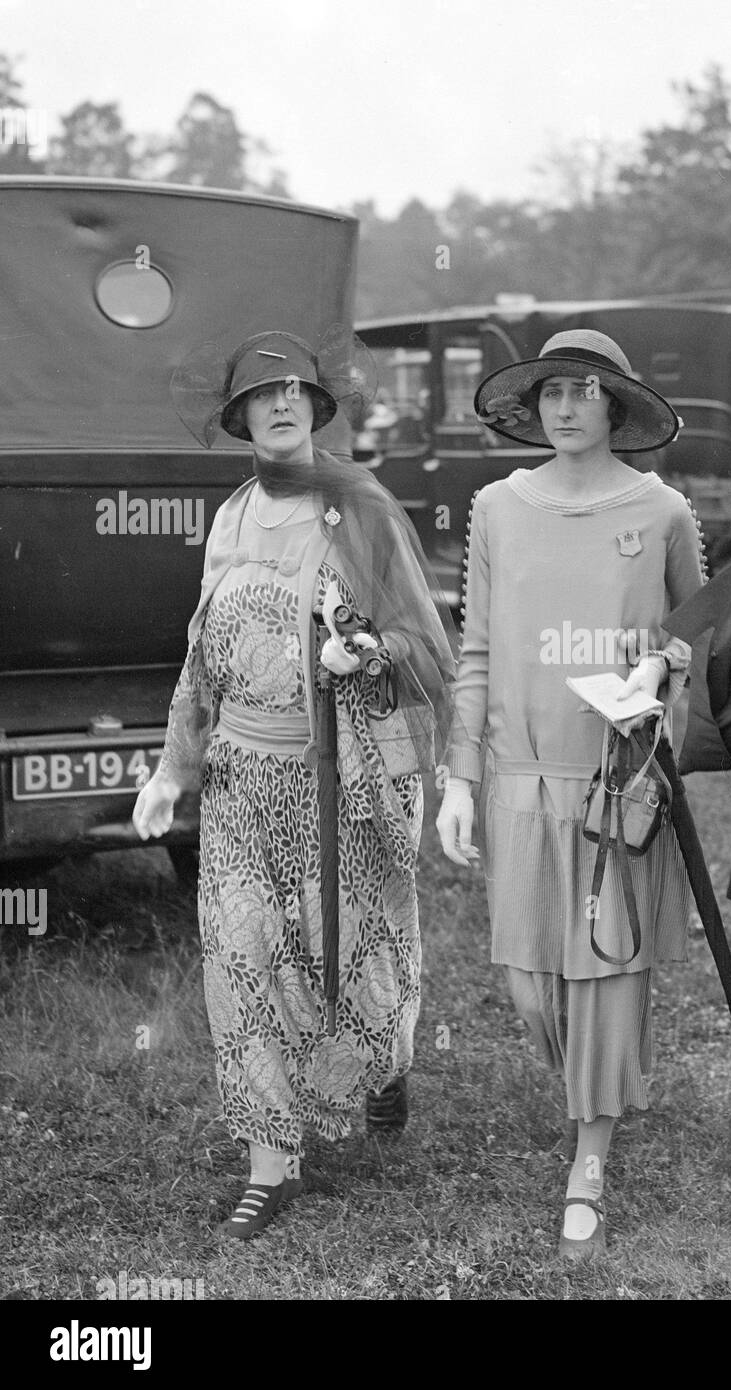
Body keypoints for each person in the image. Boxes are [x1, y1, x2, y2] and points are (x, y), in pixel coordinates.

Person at [133, 328, 455, 1238]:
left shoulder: (359, 507)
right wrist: (172, 767)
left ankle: (384, 1066)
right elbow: (203, 651)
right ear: (239, 415)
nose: (279, 404)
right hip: (240, 787)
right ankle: (272, 1163)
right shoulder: (232, 514)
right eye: (261, 394)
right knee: (241, 965)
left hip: (335, 784)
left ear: (319, 407)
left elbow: (425, 648)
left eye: (295, 392)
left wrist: (363, 650)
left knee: (353, 959)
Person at [435, 329, 704, 1260]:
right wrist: (459, 777)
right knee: (526, 985)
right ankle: (599, 1083)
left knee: (607, 970)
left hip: (619, 781)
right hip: (520, 775)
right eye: (552, 389)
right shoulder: (495, 510)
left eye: (586, 389)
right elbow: (474, 651)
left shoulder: (664, 510)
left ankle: (590, 1156)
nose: (566, 404)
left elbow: (693, 635)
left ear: (617, 405)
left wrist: (663, 667)